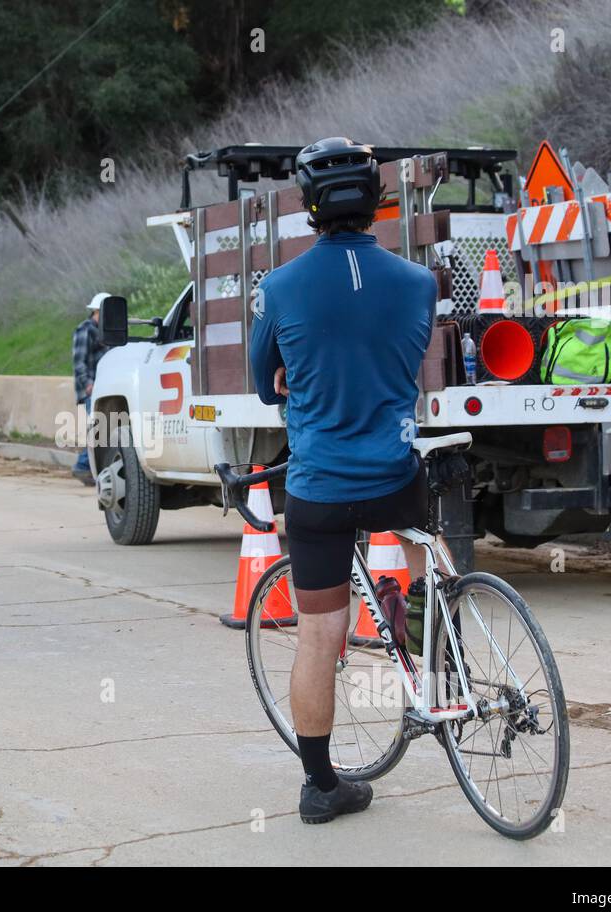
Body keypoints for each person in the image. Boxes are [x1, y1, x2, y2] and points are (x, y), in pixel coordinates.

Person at [249, 137, 437, 824]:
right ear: (377, 201)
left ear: (310, 206)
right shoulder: (418, 283)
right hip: (394, 475)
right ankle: (421, 611)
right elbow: (403, 358)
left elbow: (263, 385)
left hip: (321, 488)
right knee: (420, 521)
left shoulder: (279, 287)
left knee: (319, 633)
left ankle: (321, 787)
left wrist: (291, 371)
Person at [71, 292, 111, 485]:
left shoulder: (105, 332)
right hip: (92, 390)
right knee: (99, 429)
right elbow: (79, 361)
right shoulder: (86, 330)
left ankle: (88, 467)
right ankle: (83, 466)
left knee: (102, 428)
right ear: (97, 311)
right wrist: (88, 385)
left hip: (103, 389)